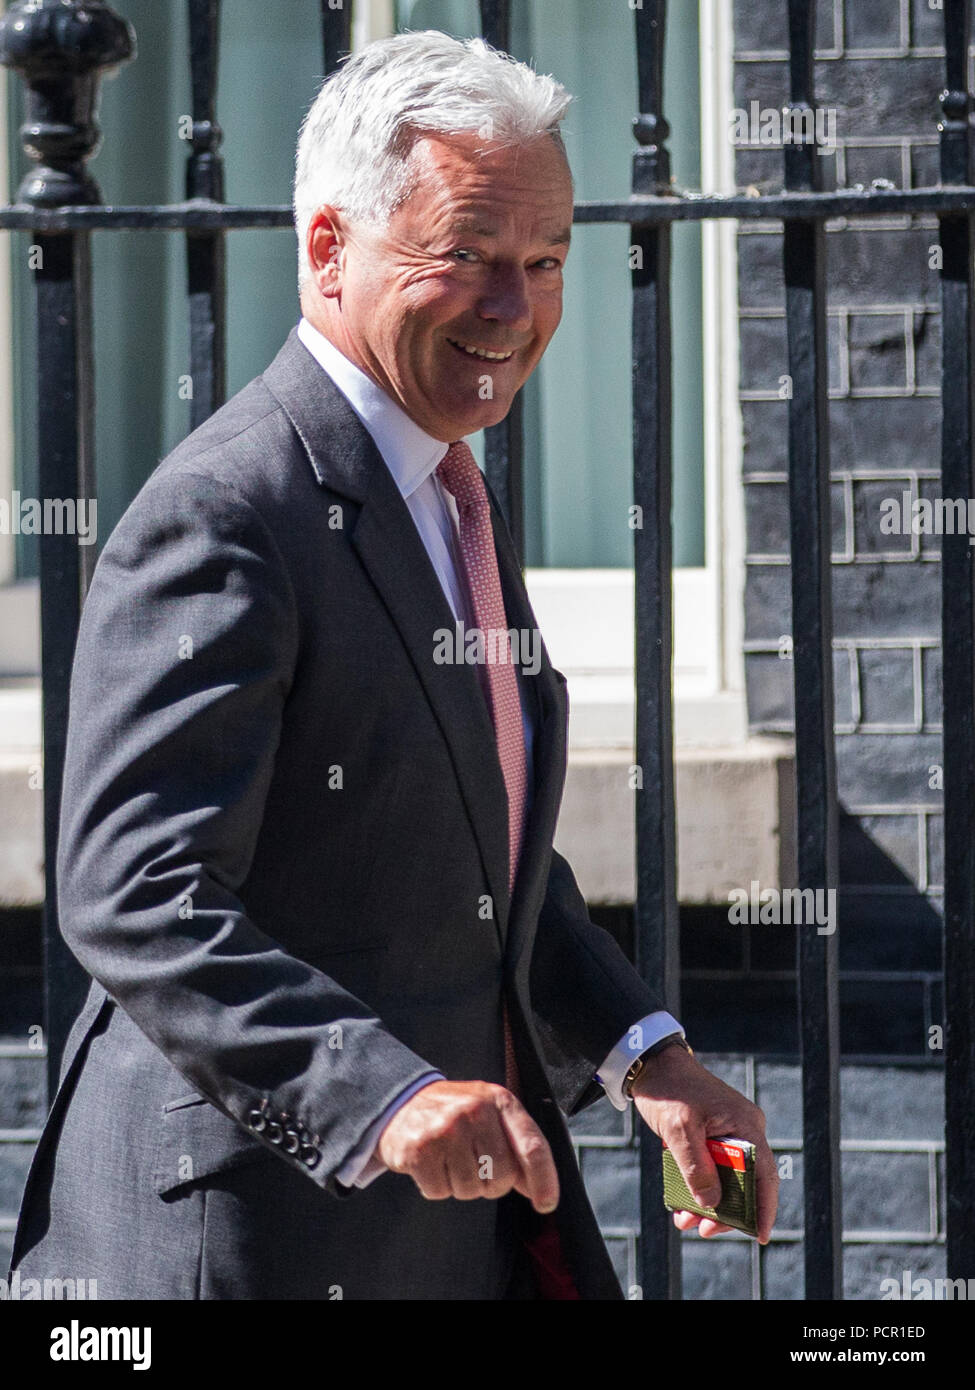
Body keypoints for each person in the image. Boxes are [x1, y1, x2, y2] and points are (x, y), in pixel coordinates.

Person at [9, 30, 777, 1301]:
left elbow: (471, 847)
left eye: (543, 262)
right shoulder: (224, 509)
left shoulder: (443, 487)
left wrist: (649, 1057)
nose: (516, 308)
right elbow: (135, 891)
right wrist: (387, 1097)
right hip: (244, 1243)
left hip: (434, 1242)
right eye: (466, 257)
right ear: (328, 250)